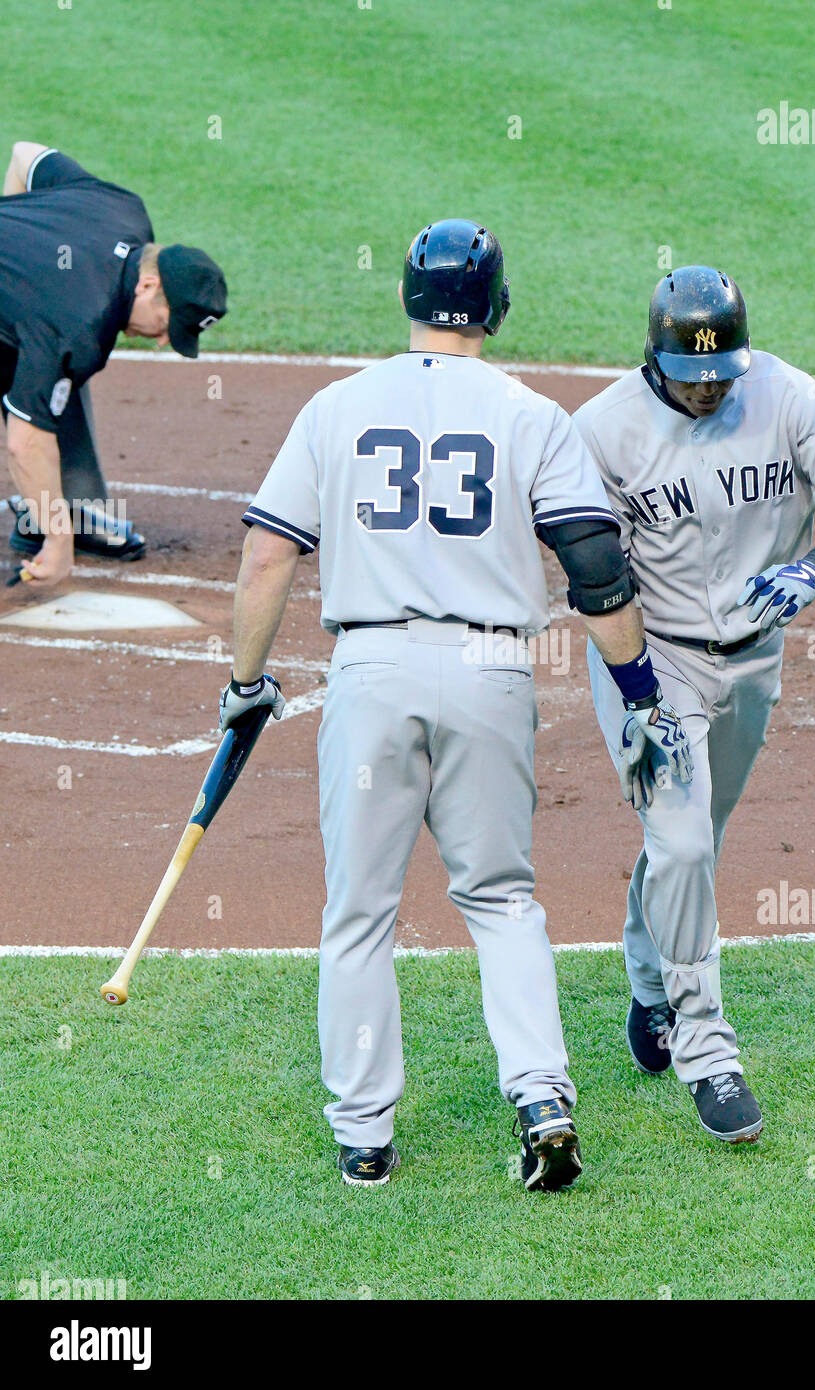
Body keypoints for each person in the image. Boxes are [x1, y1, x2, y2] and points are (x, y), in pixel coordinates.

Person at [217, 219, 691, 1189]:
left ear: (406, 300)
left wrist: (246, 683)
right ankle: (544, 1097)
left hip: (373, 673)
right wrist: (641, 694)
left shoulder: (338, 405)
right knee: (503, 896)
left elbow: (269, 554)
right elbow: (596, 569)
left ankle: (365, 1136)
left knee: (359, 912)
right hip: (490, 674)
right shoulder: (532, 415)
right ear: (498, 308)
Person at [574, 267, 815, 1143]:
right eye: (692, 374)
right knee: (680, 839)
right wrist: (639, 693)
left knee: (693, 843)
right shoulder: (602, 431)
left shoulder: (786, 396)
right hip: (652, 656)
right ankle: (706, 1051)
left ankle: (646, 983)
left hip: (753, 661)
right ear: (655, 357)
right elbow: (596, 580)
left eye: (723, 372)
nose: (711, 386)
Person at [1, 141, 228, 588]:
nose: (163, 340)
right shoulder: (77, 321)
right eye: (167, 325)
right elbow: (24, 443)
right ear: (147, 285)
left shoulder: (122, 210)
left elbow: (26, 155)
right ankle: (52, 521)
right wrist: (58, 544)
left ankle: (58, 505)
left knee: (54, 377)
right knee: (50, 384)